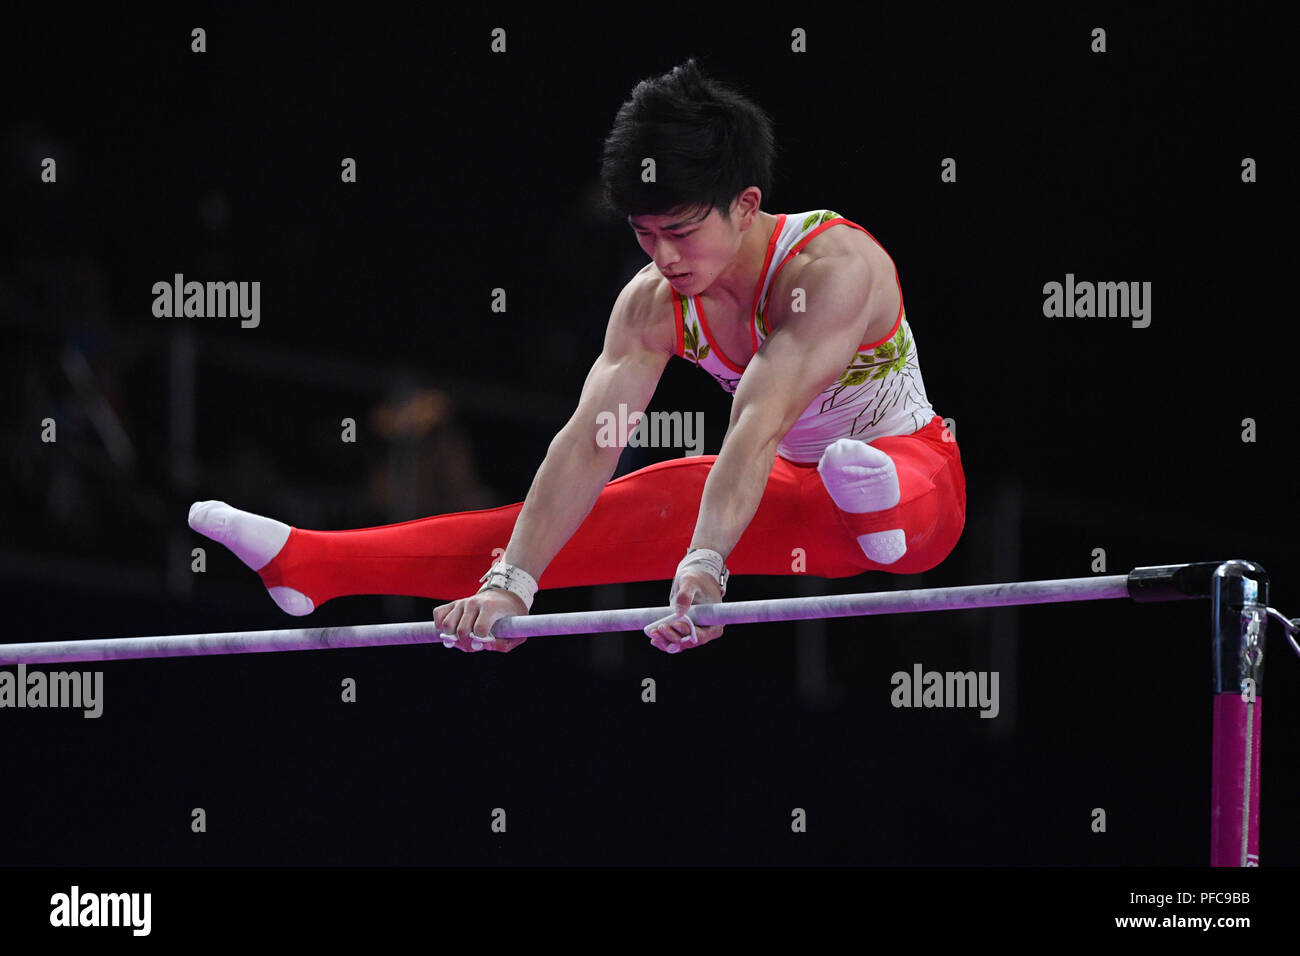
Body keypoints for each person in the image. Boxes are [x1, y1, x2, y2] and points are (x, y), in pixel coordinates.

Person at [188, 58, 966, 656]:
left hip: (912, 471)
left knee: (901, 497)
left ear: (747, 204)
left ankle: (881, 500)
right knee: (582, 519)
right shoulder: (653, 303)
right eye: (642, 232)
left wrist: (704, 566)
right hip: (782, 495)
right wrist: (510, 586)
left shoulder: (829, 272)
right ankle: (316, 565)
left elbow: (755, 427)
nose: (662, 256)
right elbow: (590, 441)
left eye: (682, 231)